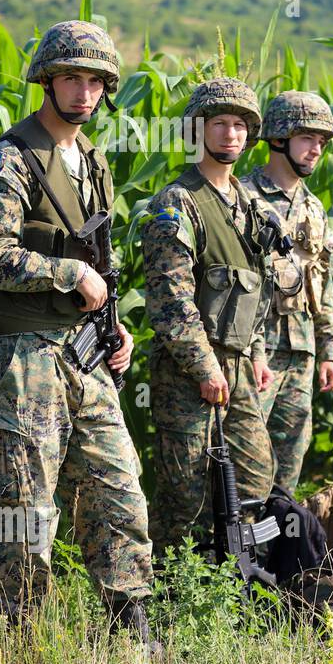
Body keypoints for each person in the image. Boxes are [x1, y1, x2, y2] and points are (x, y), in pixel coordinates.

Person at [0, 19, 155, 644]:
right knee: (26, 514)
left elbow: (99, 258)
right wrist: (66, 271)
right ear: (47, 81)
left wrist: (115, 327)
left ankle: (131, 635)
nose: (83, 92)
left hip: (85, 355)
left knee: (119, 494)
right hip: (26, 361)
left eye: (95, 81)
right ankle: (20, 648)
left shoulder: (92, 162)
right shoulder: (10, 159)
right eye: (71, 78)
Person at [142, 77, 278, 556]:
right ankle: (171, 597)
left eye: (240, 125)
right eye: (219, 123)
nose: (231, 134)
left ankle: (247, 586)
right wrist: (204, 367)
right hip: (189, 372)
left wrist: (256, 354)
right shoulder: (178, 202)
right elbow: (170, 298)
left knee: (257, 479)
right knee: (186, 495)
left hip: (238, 366)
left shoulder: (248, 206)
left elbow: (255, 291)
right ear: (199, 130)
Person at [247, 91, 333, 493]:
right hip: (257, 353)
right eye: (309, 138)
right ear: (279, 138)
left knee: (288, 468)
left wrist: (329, 352)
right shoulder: (244, 197)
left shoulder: (315, 208)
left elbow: (324, 284)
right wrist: (251, 352)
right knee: (247, 465)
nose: (317, 149)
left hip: (301, 353)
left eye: (323, 141)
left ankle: (277, 554)